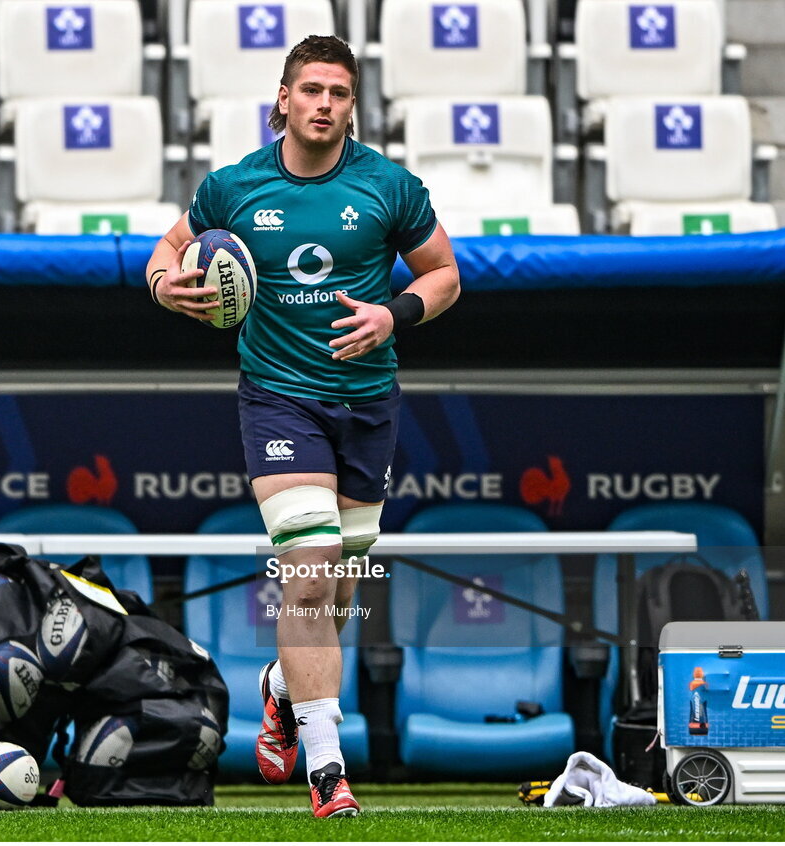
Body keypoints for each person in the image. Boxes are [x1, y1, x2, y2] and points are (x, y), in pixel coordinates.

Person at [146, 34, 460, 818]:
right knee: (310, 572)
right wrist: (165, 287)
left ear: (354, 105)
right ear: (281, 100)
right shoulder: (234, 188)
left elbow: (445, 274)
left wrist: (394, 314)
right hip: (279, 397)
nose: (325, 104)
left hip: (369, 402)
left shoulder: (390, 187)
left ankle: (284, 689)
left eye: (340, 93)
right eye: (311, 90)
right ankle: (329, 772)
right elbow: (168, 250)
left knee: (336, 589)